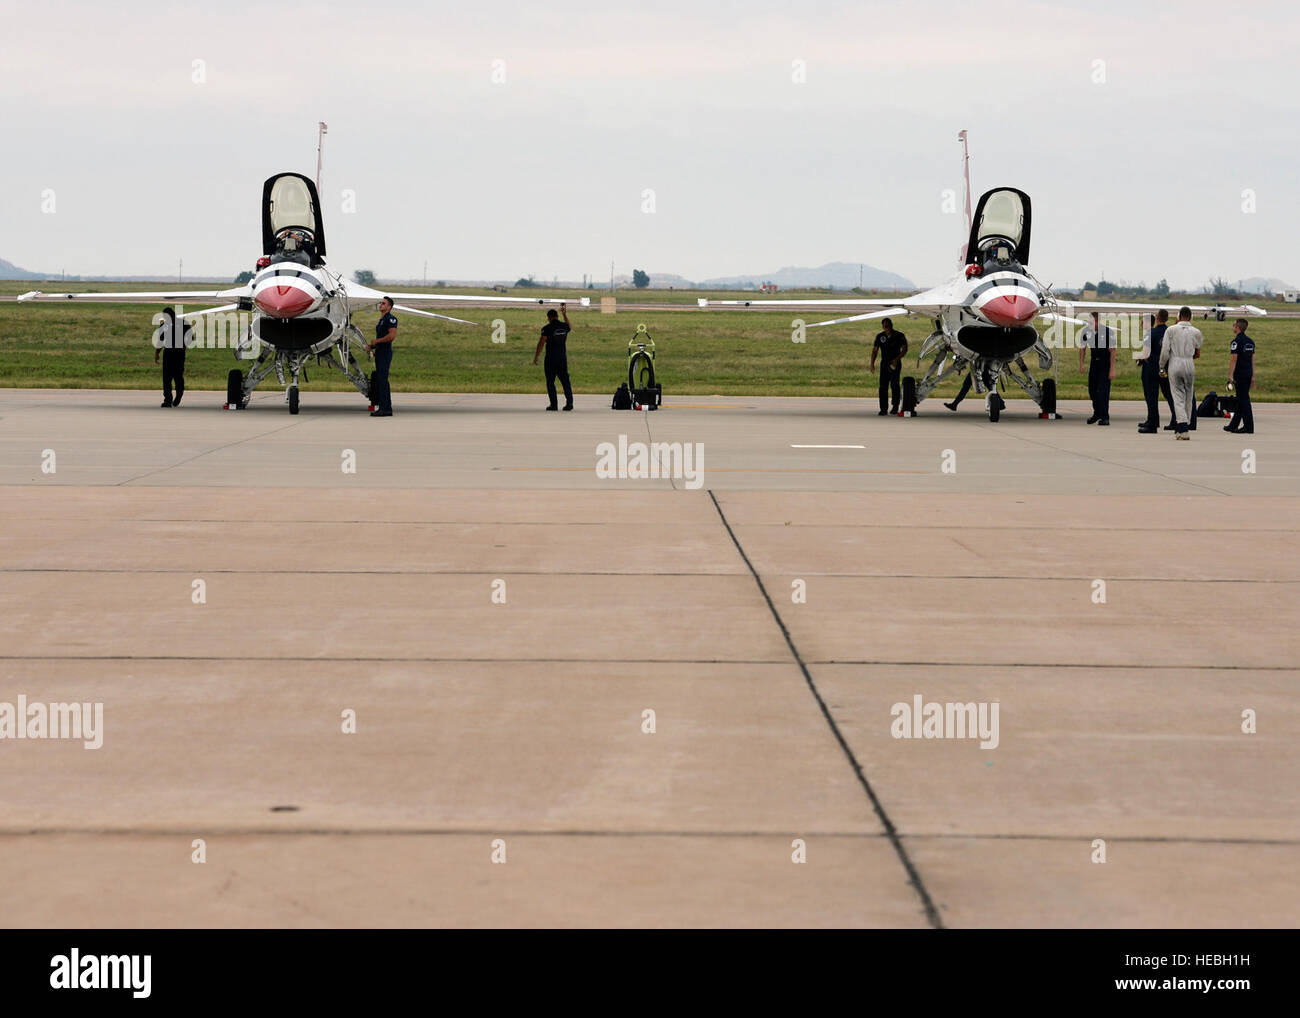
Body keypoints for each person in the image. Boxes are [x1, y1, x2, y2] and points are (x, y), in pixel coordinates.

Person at [1160, 306, 1202, 439]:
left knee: (1177, 396)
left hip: (1175, 362)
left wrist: (1161, 366)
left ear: (1178, 316)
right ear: (1191, 317)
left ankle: (1182, 427)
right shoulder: (1196, 332)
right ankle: (1186, 424)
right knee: (1189, 395)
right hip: (1189, 363)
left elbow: (1165, 351)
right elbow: (1197, 353)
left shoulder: (1171, 330)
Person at [1136, 310, 1178, 433]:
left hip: (1153, 368)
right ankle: (1176, 420)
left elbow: (1146, 353)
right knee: (1169, 394)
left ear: (1157, 317)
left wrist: (1140, 359)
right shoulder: (1171, 332)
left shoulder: (1151, 333)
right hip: (1166, 368)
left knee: (1152, 396)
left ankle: (1153, 423)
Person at [1077, 311, 1116, 425]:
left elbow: (1113, 351)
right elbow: (1082, 348)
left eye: (1092, 322)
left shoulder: (1108, 332)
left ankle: (1105, 417)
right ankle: (1097, 412)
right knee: (1092, 390)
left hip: (1105, 363)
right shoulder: (1086, 331)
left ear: (1098, 321)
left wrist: (1112, 369)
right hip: (1094, 363)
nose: (1090, 324)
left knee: (1103, 391)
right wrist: (1082, 364)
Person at [533, 304, 573, 411]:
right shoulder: (564, 327)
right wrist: (565, 314)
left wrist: (536, 356)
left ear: (549, 317)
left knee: (550, 382)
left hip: (551, 359)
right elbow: (569, 326)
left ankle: (554, 405)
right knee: (565, 381)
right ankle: (569, 404)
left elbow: (541, 343)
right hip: (562, 358)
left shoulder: (547, 328)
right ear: (557, 316)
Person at [154, 306, 191, 407]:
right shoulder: (164, 326)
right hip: (168, 354)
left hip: (179, 355)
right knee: (166, 378)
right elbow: (160, 341)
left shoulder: (184, 324)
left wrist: (184, 346)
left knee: (178, 377)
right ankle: (167, 400)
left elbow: (190, 337)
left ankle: (179, 395)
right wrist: (157, 353)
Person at [366, 297, 397, 417]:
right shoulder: (381, 320)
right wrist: (372, 346)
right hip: (379, 352)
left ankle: (385, 408)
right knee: (380, 380)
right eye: (380, 303)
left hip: (385, 352)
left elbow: (391, 336)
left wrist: (377, 341)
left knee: (383, 380)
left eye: (383, 303)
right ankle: (384, 407)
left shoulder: (391, 319)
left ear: (389, 307)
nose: (381, 305)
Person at [870, 318, 908, 415]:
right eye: (885, 326)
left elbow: (904, 349)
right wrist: (872, 364)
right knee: (883, 386)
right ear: (883, 326)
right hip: (884, 363)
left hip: (895, 363)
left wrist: (896, 359)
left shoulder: (899, 335)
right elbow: (875, 351)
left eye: (888, 326)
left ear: (892, 325)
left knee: (895, 385)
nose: (887, 328)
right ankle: (883, 408)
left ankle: (895, 406)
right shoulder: (880, 336)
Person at [1225, 317, 1255, 434]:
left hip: (1240, 374)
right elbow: (1253, 360)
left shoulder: (1236, 342)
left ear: (1237, 328)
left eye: (1234, 325)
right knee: (1240, 399)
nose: (1233, 327)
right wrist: (1253, 376)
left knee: (1244, 401)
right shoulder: (1250, 342)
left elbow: (1234, 360)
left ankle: (1248, 426)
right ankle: (1233, 425)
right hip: (1248, 373)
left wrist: (1230, 376)